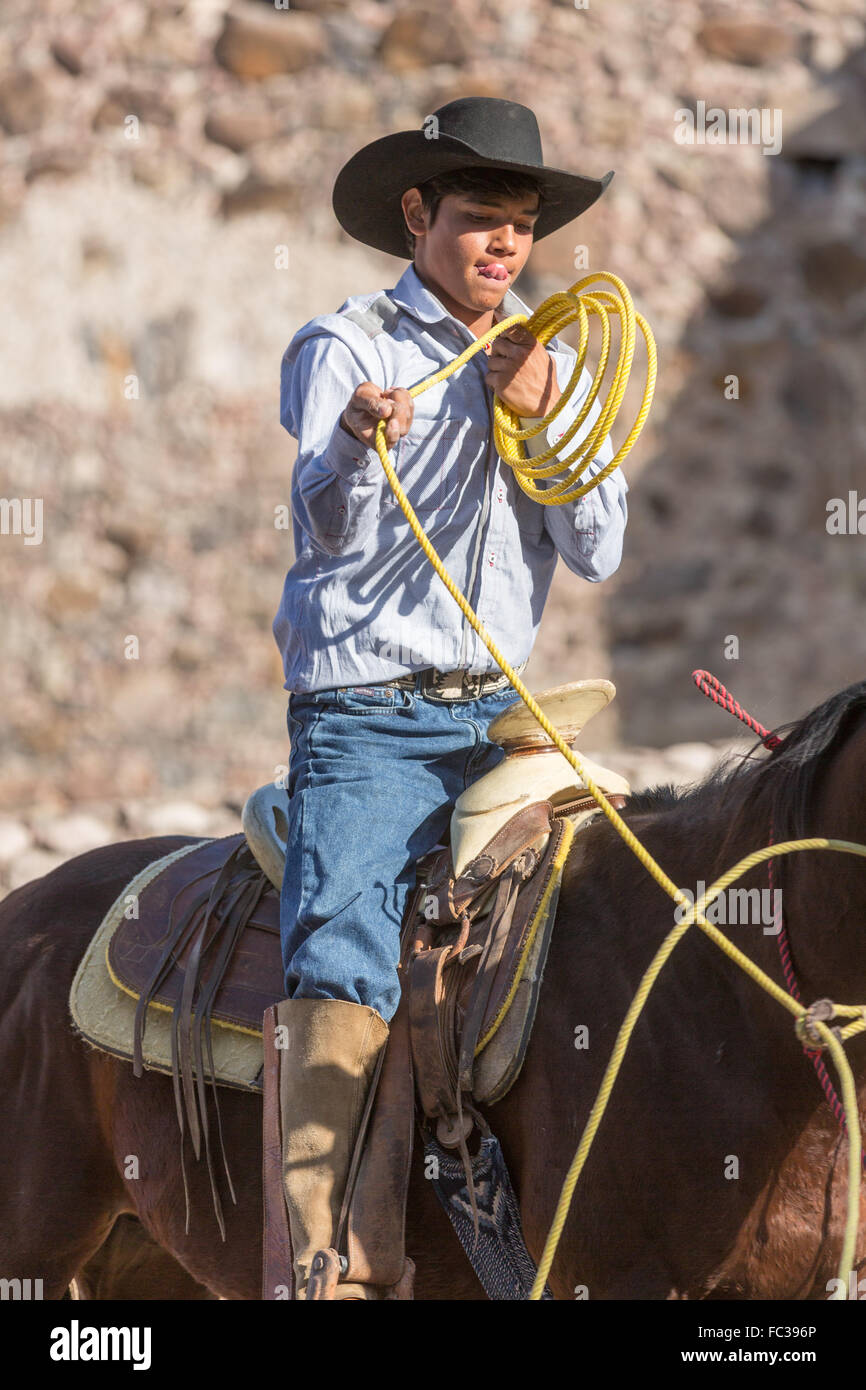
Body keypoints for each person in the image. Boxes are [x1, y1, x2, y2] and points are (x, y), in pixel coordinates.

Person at [269, 96, 627, 1299]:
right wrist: (354, 455)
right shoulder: (345, 347)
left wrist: (546, 419)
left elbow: (600, 547)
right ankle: (335, 1263)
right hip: (368, 714)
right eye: (479, 220)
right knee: (345, 958)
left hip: (504, 712)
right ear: (416, 215)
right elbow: (317, 527)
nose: (502, 250)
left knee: (623, 896)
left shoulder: (553, 357)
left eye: (519, 228)